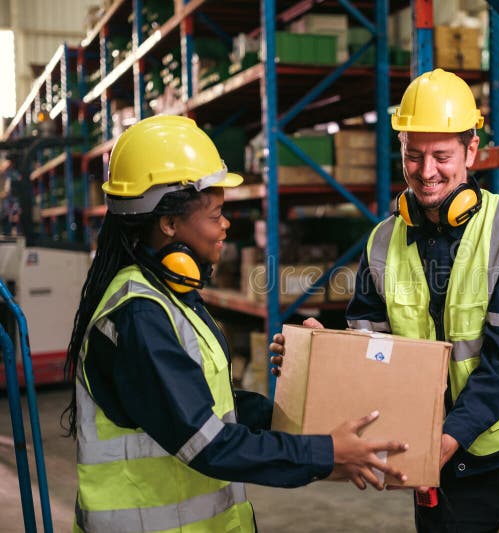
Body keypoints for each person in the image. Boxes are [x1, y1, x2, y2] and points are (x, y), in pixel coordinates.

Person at [272, 69, 499, 532]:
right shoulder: (382, 243)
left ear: (471, 151)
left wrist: (448, 435)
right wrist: (325, 354)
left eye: (442, 156)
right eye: (413, 155)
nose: (426, 172)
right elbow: (375, 352)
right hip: (445, 462)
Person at [62, 115, 408, 533]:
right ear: (169, 224)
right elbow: (208, 443)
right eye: (216, 215)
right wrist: (325, 453)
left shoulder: (165, 294)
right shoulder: (139, 316)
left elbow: (208, 400)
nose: (226, 226)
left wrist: (302, 414)